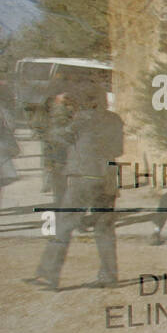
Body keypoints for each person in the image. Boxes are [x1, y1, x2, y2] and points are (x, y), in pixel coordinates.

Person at [30, 84, 123, 289]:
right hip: (108, 177)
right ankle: (109, 276)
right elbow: (119, 149)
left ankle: (49, 274)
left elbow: (55, 137)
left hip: (83, 176)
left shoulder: (82, 119)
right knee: (104, 228)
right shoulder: (115, 119)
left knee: (64, 224)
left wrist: (59, 110)